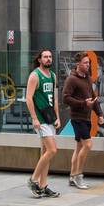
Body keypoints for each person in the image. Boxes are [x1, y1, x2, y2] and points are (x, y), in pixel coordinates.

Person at [24, 49, 60, 198]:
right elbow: (28, 98)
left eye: (50, 57)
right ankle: (33, 180)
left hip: (50, 118)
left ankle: (43, 185)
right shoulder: (35, 75)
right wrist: (34, 118)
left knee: (46, 153)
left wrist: (57, 117)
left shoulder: (52, 76)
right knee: (52, 150)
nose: (48, 59)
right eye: (45, 57)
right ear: (39, 59)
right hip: (40, 119)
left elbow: (55, 98)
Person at [62, 53, 97, 189]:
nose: (88, 65)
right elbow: (65, 98)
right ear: (78, 64)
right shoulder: (71, 79)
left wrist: (99, 113)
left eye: (88, 63)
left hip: (86, 118)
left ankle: (72, 177)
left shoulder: (88, 79)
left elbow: (93, 98)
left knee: (79, 147)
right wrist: (83, 103)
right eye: (85, 63)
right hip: (77, 118)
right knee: (87, 145)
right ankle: (78, 176)